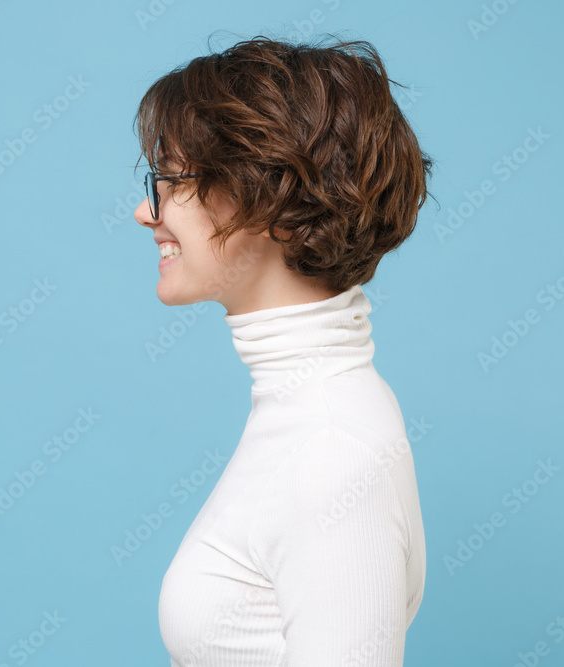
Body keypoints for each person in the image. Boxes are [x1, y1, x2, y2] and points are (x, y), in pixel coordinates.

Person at [132, 34, 433, 666]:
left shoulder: (332, 447)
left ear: (272, 197)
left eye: (171, 179)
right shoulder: (305, 412)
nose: (145, 210)